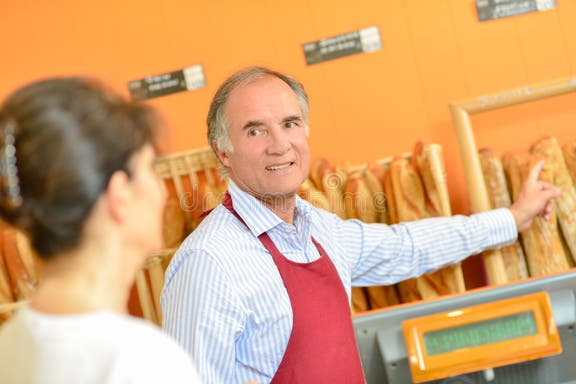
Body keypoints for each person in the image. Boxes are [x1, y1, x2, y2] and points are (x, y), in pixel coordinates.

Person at [160, 66, 561, 384]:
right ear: (223, 151)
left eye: (290, 123)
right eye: (255, 130)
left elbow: (408, 247)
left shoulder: (318, 228)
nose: (279, 144)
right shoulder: (208, 263)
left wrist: (513, 217)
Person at [0, 78, 201, 383]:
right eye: (151, 168)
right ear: (120, 194)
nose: (161, 191)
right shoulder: (144, 361)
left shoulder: (8, 346)